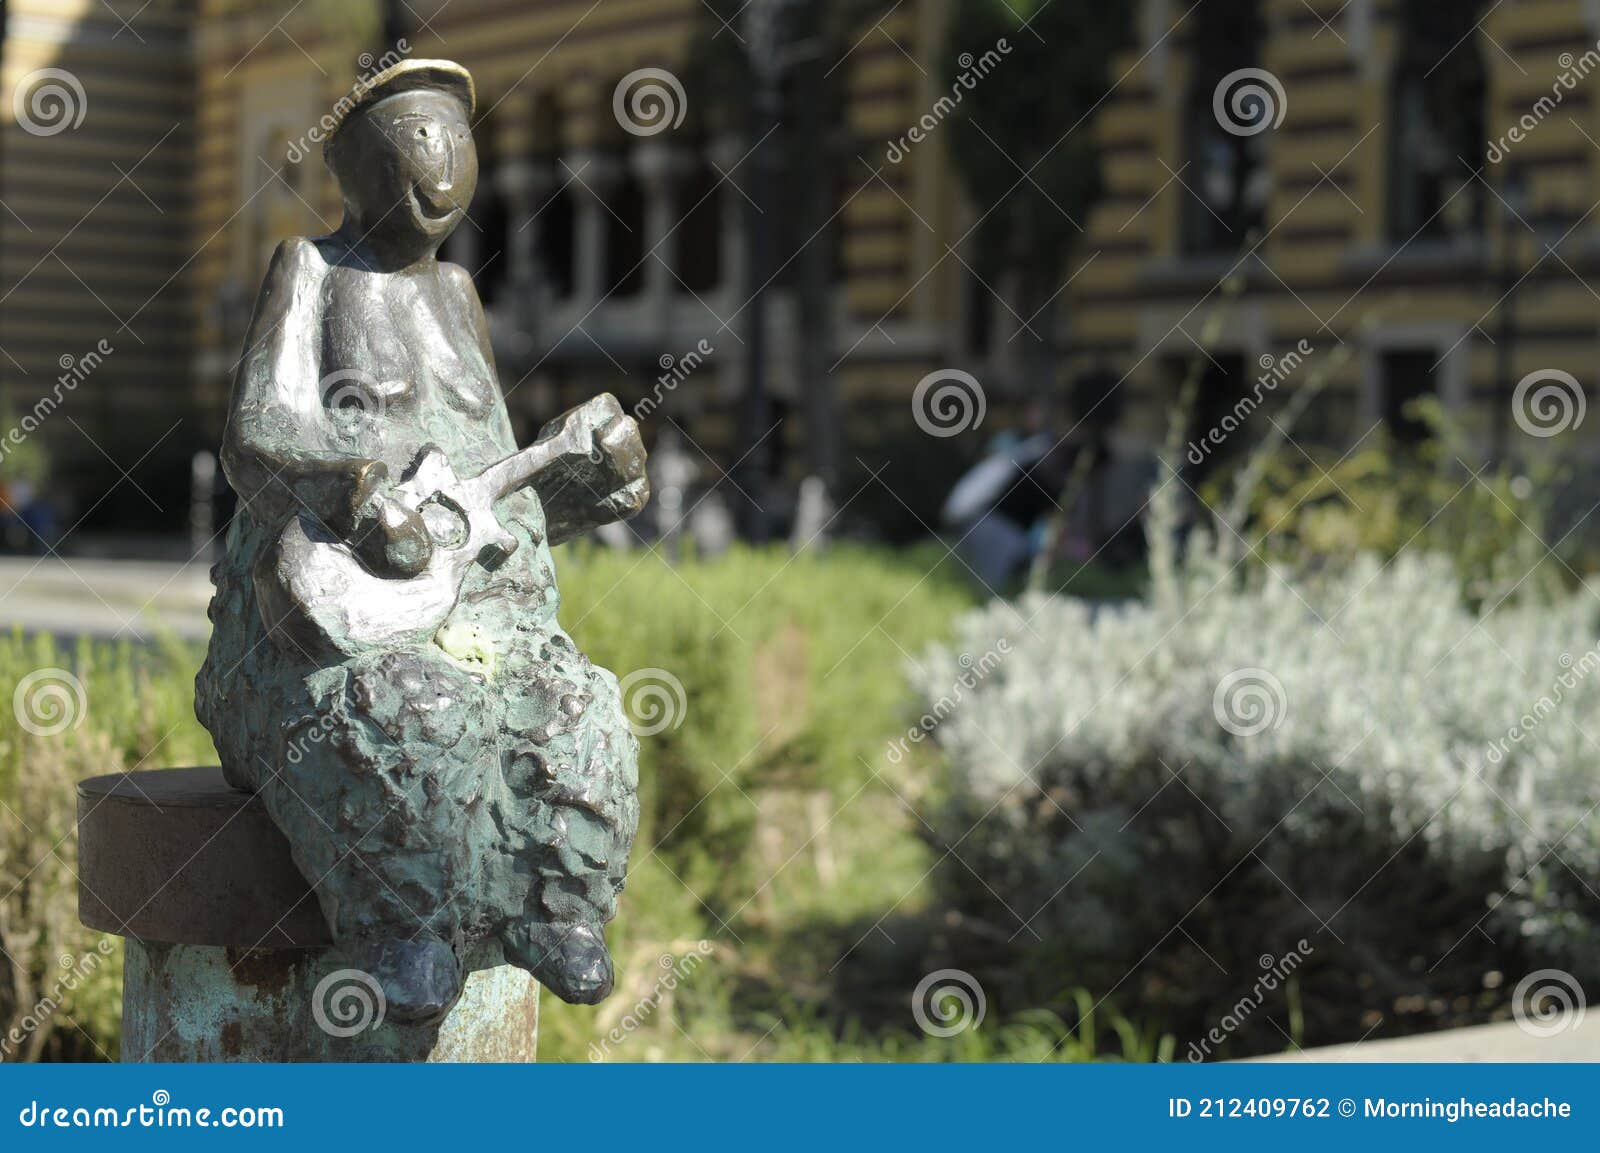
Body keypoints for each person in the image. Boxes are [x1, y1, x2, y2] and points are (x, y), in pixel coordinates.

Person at [195, 61, 637, 1021]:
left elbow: (483, 485)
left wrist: (590, 478)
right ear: (353, 167)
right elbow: (253, 437)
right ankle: (403, 925)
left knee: (576, 708)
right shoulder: (310, 270)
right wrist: (350, 487)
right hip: (324, 610)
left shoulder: (457, 294)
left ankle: (557, 906)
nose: (440, 161)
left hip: (465, 599)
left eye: (452, 136)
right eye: (415, 139)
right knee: (410, 711)